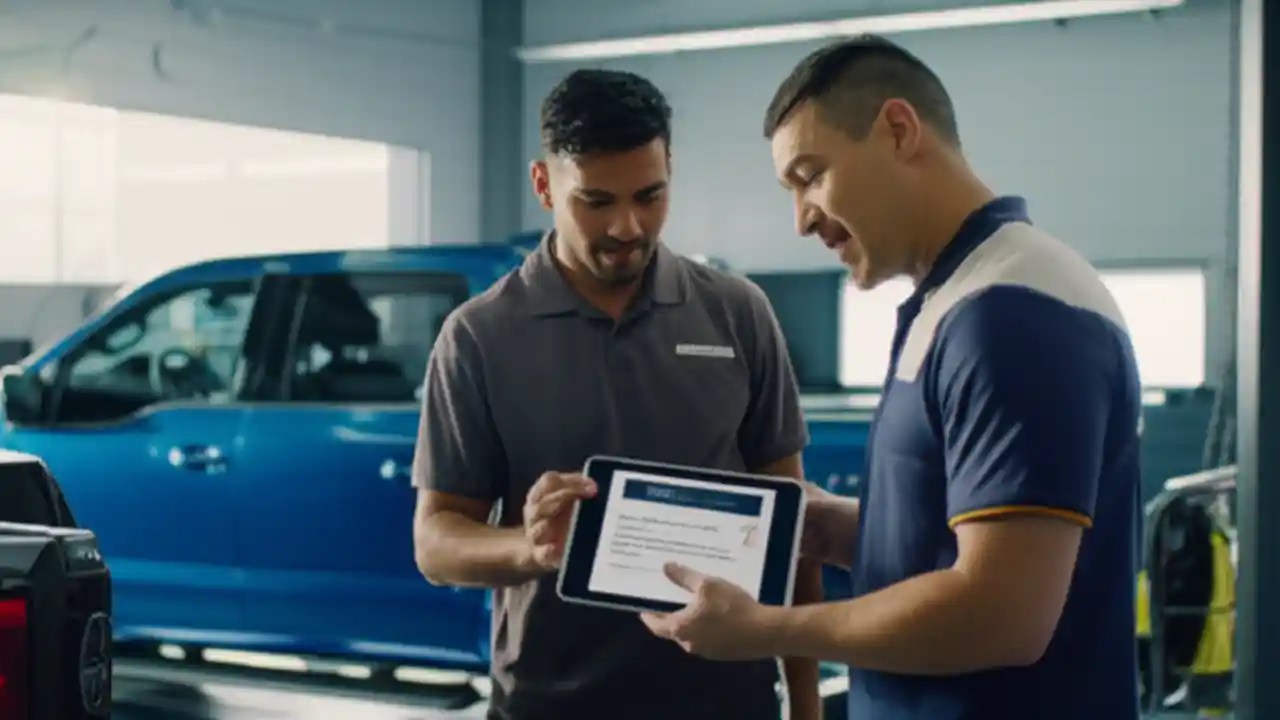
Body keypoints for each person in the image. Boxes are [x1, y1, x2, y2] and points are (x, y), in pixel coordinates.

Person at [640, 35, 1143, 720]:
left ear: (899, 130)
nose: (801, 219)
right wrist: (839, 529)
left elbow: (1002, 613)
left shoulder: (1013, 314)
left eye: (810, 176)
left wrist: (764, 630)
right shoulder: (954, 300)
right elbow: (955, 539)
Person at [411, 68, 824, 720]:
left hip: (727, 701)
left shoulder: (737, 312)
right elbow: (436, 543)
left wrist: (805, 699)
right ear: (544, 185)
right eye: (596, 201)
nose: (629, 226)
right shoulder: (479, 336)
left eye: (650, 195)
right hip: (552, 703)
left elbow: (791, 519)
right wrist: (530, 547)